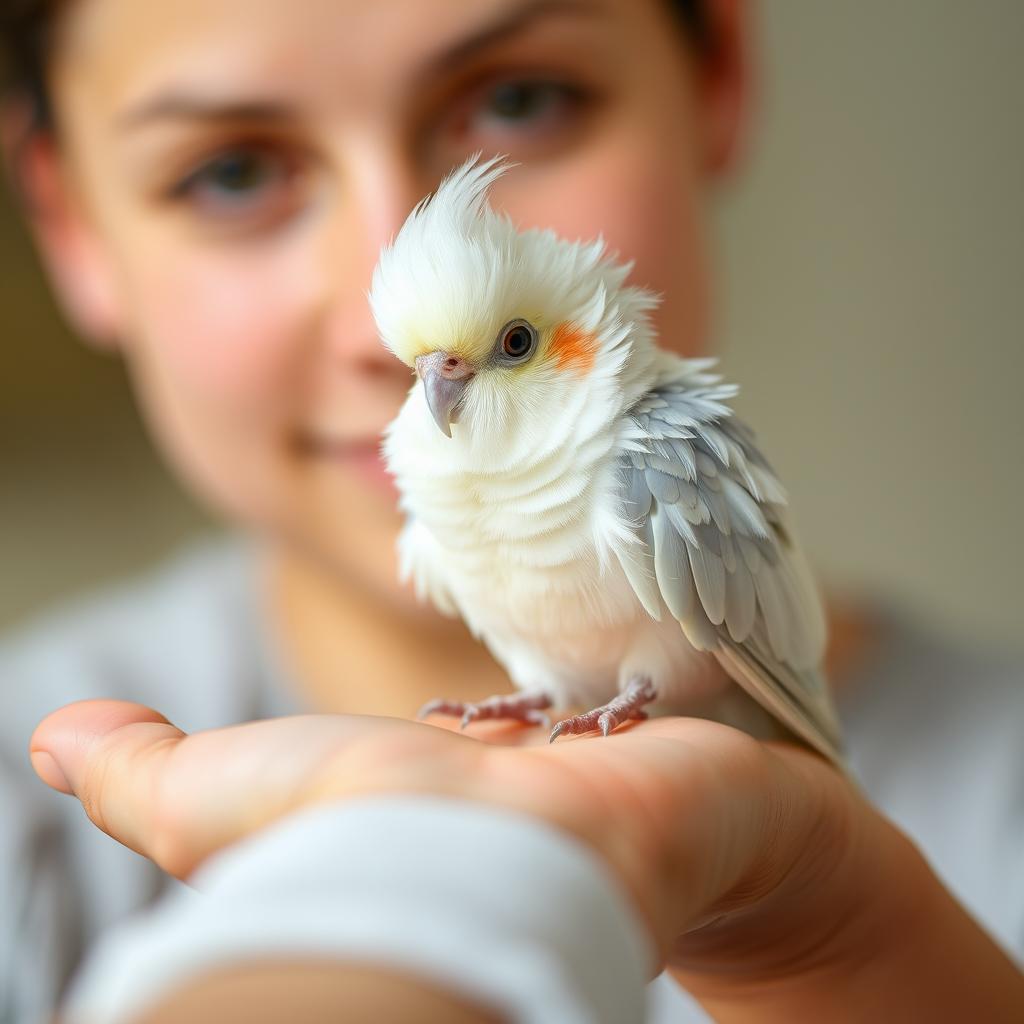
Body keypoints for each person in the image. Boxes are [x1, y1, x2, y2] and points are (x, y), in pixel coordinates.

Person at [1, 0, 1021, 1020]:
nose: (373, 351)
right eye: (232, 171)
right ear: (67, 221)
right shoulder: (25, 837)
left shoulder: (649, 453)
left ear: (718, 75)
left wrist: (829, 918)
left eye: (520, 99)